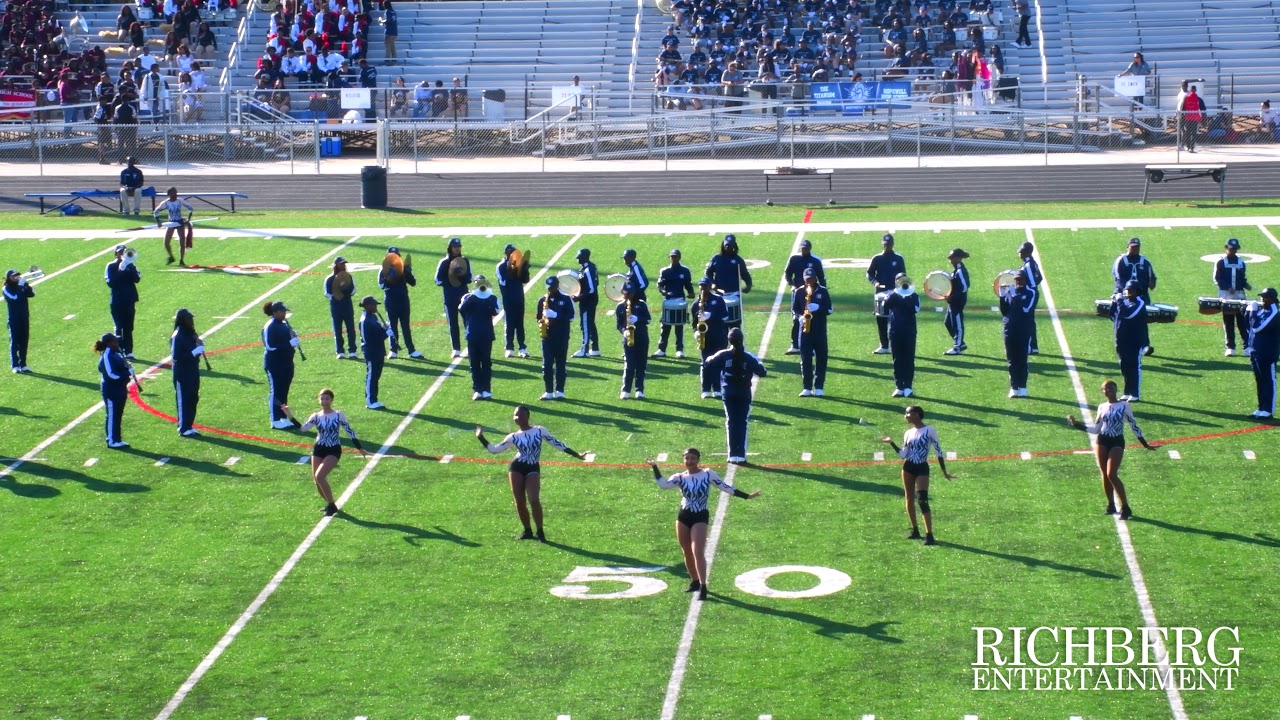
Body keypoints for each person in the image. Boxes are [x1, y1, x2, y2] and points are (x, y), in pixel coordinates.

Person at [648, 448, 760, 600]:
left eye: (693, 458)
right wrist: (655, 467)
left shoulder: (707, 474)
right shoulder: (680, 477)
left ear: (698, 460)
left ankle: (703, 586)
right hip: (683, 515)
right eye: (687, 458)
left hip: (700, 515)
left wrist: (746, 496)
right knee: (686, 550)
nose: (689, 462)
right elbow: (663, 485)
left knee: (697, 551)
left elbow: (725, 487)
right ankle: (694, 581)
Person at [476, 405, 587, 541]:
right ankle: (527, 530)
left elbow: (557, 443)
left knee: (534, 499)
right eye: (515, 415)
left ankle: (540, 532)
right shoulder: (513, 437)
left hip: (533, 467)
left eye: (520, 415)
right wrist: (480, 437)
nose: (517, 418)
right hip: (516, 468)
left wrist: (577, 455)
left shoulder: (539, 431)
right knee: (520, 501)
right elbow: (494, 450)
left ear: (527, 416)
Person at [1067, 380, 1153, 519]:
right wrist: (1077, 425)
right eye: (1105, 388)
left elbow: (1133, 425)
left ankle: (1125, 507)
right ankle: (1111, 504)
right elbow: (1096, 429)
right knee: (1104, 474)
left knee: (1111, 474)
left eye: (1111, 387)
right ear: (1103, 392)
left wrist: (1145, 443)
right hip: (1102, 441)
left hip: (1117, 441)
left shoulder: (1125, 406)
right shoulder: (1102, 407)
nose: (1108, 390)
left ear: (1116, 389)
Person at [282, 389, 364, 517]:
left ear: (332, 400)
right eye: (322, 399)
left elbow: (349, 431)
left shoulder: (338, 415)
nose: (324, 401)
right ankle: (330, 504)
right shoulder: (315, 416)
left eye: (327, 398)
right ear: (319, 400)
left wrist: (359, 447)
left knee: (320, 476)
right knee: (316, 480)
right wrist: (289, 415)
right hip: (319, 448)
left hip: (333, 449)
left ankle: (332, 505)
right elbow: (303, 429)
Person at [880, 405, 955, 545]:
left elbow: (938, 451)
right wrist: (891, 443)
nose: (906, 416)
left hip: (922, 467)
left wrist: (944, 471)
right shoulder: (908, 433)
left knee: (922, 499)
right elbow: (903, 454)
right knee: (909, 498)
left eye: (908, 413)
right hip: (908, 467)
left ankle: (929, 534)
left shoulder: (930, 430)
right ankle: (915, 530)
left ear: (917, 414)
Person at [704, 327, 766, 463]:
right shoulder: (748, 357)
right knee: (742, 422)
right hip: (744, 392)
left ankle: (732, 454)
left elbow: (708, 363)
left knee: (731, 421)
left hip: (728, 392)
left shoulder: (723, 354)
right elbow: (762, 371)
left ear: (729, 340)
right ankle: (741, 454)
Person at [1113, 237, 1158, 355]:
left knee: (1141, 323)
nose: (1135, 249)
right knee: (1122, 322)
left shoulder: (1145, 262)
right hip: (1123, 296)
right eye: (1133, 247)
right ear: (1128, 247)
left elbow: (1152, 279)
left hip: (1141, 297)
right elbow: (1118, 279)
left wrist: (1151, 283)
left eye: (1137, 247)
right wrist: (1127, 293)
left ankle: (1145, 346)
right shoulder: (1121, 260)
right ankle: (1123, 343)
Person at [458, 276, 500, 400]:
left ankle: (486, 389)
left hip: (486, 335)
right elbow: (461, 309)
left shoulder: (492, 297)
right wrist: (472, 297)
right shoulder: (468, 297)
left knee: (486, 363)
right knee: (474, 364)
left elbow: (496, 311)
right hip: (472, 334)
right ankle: (477, 389)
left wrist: (486, 301)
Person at [793, 267, 832, 397]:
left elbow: (830, 309)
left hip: (820, 330)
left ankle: (819, 386)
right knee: (805, 359)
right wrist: (801, 318)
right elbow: (795, 310)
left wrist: (819, 308)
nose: (809, 281)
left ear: (816, 278)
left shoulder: (823, 291)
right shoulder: (799, 292)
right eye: (807, 279)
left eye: (811, 279)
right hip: (805, 331)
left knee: (821, 358)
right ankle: (807, 387)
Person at [536, 275, 576, 400]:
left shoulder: (566, 299)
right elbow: (538, 317)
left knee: (560, 364)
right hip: (547, 337)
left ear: (557, 286)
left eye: (552, 287)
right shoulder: (543, 300)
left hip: (562, 336)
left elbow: (571, 316)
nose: (550, 290)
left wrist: (555, 315)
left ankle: (559, 391)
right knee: (547, 364)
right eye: (549, 287)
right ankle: (548, 391)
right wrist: (542, 320)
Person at [262, 300, 300, 429]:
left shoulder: (283, 324)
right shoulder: (270, 326)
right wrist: (289, 344)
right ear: (274, 312)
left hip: (287, 362)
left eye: (284, 311)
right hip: (275, 363)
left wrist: (293, 337)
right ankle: (275, 419)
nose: (284, 314)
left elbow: (287, 339)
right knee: (276, 390)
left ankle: (283, 416)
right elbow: (270, 346)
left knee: (284, 390)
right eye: (281, 312)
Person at [379, 246, 421, 359]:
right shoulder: (383, 270)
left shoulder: (403, 269)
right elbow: (382, 285)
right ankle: (393, 350)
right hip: (391, 300)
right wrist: (389, 277)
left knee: (405, 326)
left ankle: (411, 350)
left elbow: (413, 282)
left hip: (403, 300)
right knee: (392, 325)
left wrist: (406, 272)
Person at [784, 238, 825, 354]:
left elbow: (821, 278)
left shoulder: (815, 261)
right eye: (802, 248)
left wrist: (822, 291)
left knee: (811, 318)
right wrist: (792, 285)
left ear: (809, 249)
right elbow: (787, 274)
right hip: (798, 292)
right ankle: (795, 344)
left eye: (806, 249)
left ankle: (811, 346)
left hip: (812, 293)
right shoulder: (794, 259)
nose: (804, 250)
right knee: (796, 317)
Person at [692, 277, 731, 399]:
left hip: (719, 336)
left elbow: (725, 317)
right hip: (705, 338)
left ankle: (718, 388)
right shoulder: (695, 305)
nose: (703, 289)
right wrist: (696, 333)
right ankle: (705, 389)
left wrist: (711, 316)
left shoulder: (718, 300)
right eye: (701, 286)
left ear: (710, 287)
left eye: (705, 286)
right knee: (706, 363)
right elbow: (694, 324)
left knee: (718, 363)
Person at [1110, 281, 1149, 402]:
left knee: (1134, 366)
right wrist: (1113, 302)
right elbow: (1114, 316)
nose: (1127, 292)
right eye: (1127, 290)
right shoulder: (1125, 302)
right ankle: (1127, 392)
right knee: (1124, 366)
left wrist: (1120, 300)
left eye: (1131, 290)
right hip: (1121, 340)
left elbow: (1127, 314)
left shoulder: (1139, 303)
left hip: (1134, 341)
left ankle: (1135, 393)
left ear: (1137, 292)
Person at [1000, 269, 1036, 398]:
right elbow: (1004, 311)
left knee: (1022, 359)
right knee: (1011, 360)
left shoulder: (1031, 292)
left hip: (1023, 330)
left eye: (1020, 279)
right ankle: (1014, 387)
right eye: (1016, 279)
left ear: (1025, 280)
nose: (1018, 282)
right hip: (1009, 329)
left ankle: (1023, 387)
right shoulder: (1011, 292)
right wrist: (1003, 296)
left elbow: (1026, 309)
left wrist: (1014, 295)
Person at [867, 233, 906, 354]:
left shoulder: (898, 258)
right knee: (881, 319)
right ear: (882, 244)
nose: (887, 247)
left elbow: (903, 274)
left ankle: (895, 344)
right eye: (885, 245)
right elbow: (870, 273)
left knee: (895, 319)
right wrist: (875, 282)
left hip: (894, 292)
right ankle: (884, 345)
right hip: (881, 292)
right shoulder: (877, 258)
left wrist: (900, 288)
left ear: (892, 244)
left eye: (889, 244)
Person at [169, 307, 205, 436]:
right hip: (182, 372)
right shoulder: (177, 335)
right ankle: (183, 428)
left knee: (193, 397)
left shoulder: (190, 332)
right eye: (189, 319)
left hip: (193, 369)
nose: (191, 321)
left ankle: (189, 425)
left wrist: (199, 345)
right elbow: (176, 357)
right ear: (182, 320)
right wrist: (195, 351)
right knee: (184, 399)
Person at [705, 235, 753, 331]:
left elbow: (745, 274)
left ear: (734, 246)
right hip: (719, 295)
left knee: (735, 322)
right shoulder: (716, 258)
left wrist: (749, 285)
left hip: (734, 294)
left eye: (730, 246)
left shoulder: (738, 260)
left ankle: (736, 343)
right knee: (720, 322)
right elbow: (708, 273)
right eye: (726, 245)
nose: (728, 247)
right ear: (723, 245)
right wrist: (712, 283)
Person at [1245, 287, 1279, 419]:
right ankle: (1261, 407)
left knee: (1268, 380)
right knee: (1259, 380)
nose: (1262, 299)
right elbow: (1248, 326)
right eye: (1262, 297)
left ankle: (1268, 409)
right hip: (1256, 351)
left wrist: (1253, 311)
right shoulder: (1263, 310)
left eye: (1265, 297)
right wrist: (1248, 312)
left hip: (1267, 353)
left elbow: (1257, 327)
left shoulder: (1274, 313)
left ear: (1272, 299)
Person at [884, 272, 919, 397]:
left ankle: (908, 387)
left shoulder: (914, 295)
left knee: (909, 359)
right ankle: (899, 386)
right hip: (895, 330)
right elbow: (885, 306)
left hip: (909, 331)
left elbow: (915, 309)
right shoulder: (893, 295)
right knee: (897, 360)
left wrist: (907, 298)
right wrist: (895, 295)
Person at [1215, 238, 1252, 357]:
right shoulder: (1221, 262)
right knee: (1229, 321)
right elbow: (1218, 278)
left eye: (1235, 249)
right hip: (1226, 294)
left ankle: (1247, 346)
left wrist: (1246, 285)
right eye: (1231, 249)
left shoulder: (1241, 262)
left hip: (1240, 294)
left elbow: (1242, 278)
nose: (1233, 251)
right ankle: (1230, 347)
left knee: (1243, 321)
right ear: (1226, 248)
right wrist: (1228, 287)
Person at [435, 237, 471, 358]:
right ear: (450, 248)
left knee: (468, 321)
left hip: (463, 295)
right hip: (450, 296)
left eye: (459, 246)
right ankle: (456, 348)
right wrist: (450, 278)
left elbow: (469, 278)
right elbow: (438, 280)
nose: (457, 249)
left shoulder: (465, 260)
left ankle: (471, 346)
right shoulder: (444, 262)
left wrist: (461, 276)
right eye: (455, 247)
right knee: (453, 323)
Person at [655, 249, 694, 358]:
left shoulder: (685, 271)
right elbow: (660, 284)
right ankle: (661, 349)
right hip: (668, 300)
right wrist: (663, 291)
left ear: (679, 257)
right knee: (665, 325)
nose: (674, 258)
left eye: (675, 256)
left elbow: (688, 284)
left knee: (679, 326)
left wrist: (690, 292)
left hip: (680, 300)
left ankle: (679, 349)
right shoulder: (665, 271)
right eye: (672, 257)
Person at [95, 332, 132, 448]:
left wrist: (128, 368)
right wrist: (126, 375)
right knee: (112, 415)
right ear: (109, 343)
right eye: (115, 341)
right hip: (111, 390)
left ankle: (117, 439)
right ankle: (111, 440)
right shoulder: (107, 356)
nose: (117, 343)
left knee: (118, 414)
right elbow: (111, 374)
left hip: (120, 388)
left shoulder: (116, 353)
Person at [105, 244, 141, 359]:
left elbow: (137, 279)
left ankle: (129, 351)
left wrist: (129, 267)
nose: (122, 254)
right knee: (118, 326)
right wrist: (120, 270)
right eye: (120, 252)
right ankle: (118, 350)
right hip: (116, 301)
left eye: (124, 252)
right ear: (116, 254)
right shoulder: (110, 266)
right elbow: (111, 283)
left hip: (129, 300)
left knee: (129, 327)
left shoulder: (131, 265)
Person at [616, 281, 651, 399]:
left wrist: (638, 319)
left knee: (641, 365)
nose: (628, 296)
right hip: (628, 338)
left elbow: (648, 320)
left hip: (642, 337)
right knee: (630, 365)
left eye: (630, 293)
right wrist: (624, 331)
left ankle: (639, 390)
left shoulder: (641, 304)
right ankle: (625, 389)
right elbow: (619, 325)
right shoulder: (620, 307)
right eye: (626, 293)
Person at [494, 244, 530, 358]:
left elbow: (525, 280)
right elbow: (503, 282)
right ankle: (509, 347)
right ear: (506, 254)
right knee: (509, 324)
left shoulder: (518, 264)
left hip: (519, 298)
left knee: (520, 324)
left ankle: (522, 347)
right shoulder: (501, 266)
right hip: (508, 299)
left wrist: (524, 270)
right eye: (510, 252)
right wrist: (512, 269)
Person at [358, 295, 390, 409]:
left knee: (376, 375)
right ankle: (370, 400)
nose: (376, 306)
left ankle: (373, 398)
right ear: (367, 306)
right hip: (371, 352)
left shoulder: (373, 317)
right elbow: (369, 340)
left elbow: (376, 332)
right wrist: (386, 334)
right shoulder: (365, 320)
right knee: (372, 375)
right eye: (374, 304)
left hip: (378, 350)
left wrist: (383, 328)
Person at [325, 256, 357, 359]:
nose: (343, 266)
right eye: (341, 264)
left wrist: (345, 289)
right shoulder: (329, 279)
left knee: (351, 329)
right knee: (337, 330)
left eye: (344, 264)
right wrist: (337, 293)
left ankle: (352, 351)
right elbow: (327, 293)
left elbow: (353, 291)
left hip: (347, 306)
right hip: (336, 307)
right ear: (336, 265)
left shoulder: (349, 277)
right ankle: (340, 351)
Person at [3, 269, 35, 373]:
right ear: (8, 278)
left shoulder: (21, 286)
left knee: (24, 342)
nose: (16, 277)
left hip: (24, 318)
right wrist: (21, 287)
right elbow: (14, 297)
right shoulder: (6, 288)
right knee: (15, 342)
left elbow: (33, 293)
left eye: (17, 275)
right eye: (13, 276)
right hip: (14, 320)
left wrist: (26, 284)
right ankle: (15, 366)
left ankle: (23, 364)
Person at [154, 186, 194, 266]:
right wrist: (158, 222)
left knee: (182, 242)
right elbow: (156, 211)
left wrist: (188, 219)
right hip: (171, 223)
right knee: (166, 242)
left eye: (175, 193)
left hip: (179, 223)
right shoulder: (166, 203)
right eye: (173, 193)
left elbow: (190, 208)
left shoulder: (180, 201)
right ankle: (171, 257)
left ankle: (181, 260)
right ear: (169, 194)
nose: (175, 195)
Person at [573, 248, 601, 357]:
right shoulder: (586, 267)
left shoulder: (588, 269)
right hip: (589, 299)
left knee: (585, 324)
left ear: (585, 257)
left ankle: (584, 350)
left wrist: (578, 297)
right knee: (590, 323)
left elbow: (591, 289)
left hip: (588, 300)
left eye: (579, 257)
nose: (578, 259)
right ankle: (595, 348)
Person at [943, 248, 971, 355]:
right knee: (948, 322)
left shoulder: (960, 271)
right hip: (953, 301)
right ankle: (961, 343)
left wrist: (953, 297)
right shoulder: (956, 270)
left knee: (957, 324)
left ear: (958, 258)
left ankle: (957, 347)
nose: (950, 260)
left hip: (957, 302)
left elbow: (964, 287)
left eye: (952, 258)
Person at [1017, 240, 1043, 353]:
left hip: (1029, 295)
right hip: (1031, 294)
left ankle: (1031, 346)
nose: (1019, 254)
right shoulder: (1032, 262)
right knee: (1029, 320)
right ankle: (1033, 346)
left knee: (1027, 320)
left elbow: (1032, 283)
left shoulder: (1028, 265)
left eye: (1021, 252)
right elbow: (1040, 278)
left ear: (1027, 252)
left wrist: (1022, 287)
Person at [1179, 84, 1205, 153]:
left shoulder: (1186, 98)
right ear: (1195, 90)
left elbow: (1182, 108)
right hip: (1195, 118)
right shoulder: (1198, 99)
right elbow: (1203, 109)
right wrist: (1203, 117)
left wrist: (1182, 115)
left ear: (1190, 90)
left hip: (1188, 117)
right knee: (1194, 132)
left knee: (1187, 132)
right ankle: (1192, 147)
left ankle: (1188, 146)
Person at [381, 0, 398, 64]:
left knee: (387, 47)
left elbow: (389, 20)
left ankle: (387, 60)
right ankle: (394, 59)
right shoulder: (393, 11)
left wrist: (382, 21)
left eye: (383, 4)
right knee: (392, 46)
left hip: (389, 32)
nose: (383, 5)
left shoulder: (387, 11)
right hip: (394, 31)